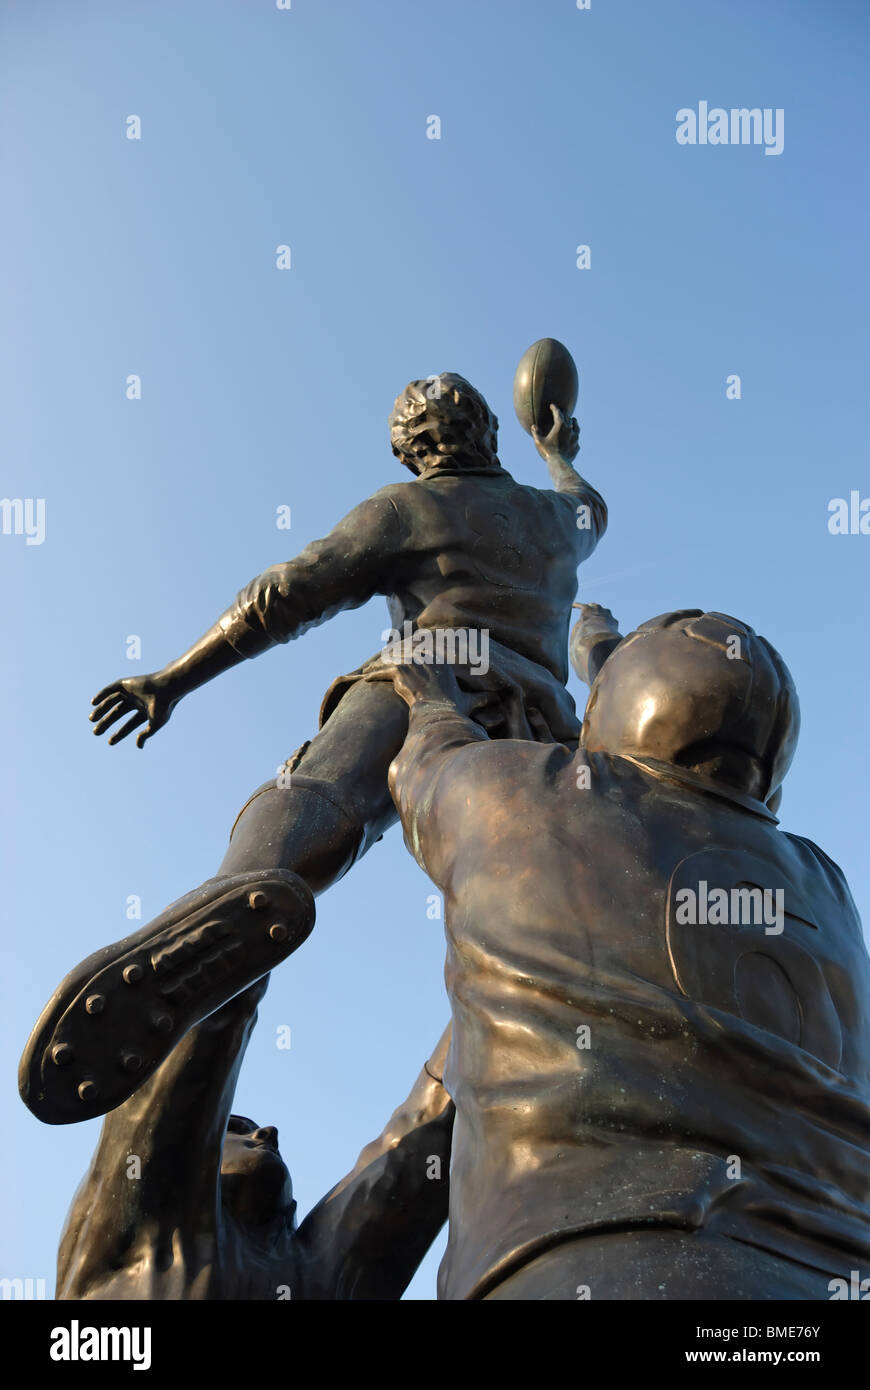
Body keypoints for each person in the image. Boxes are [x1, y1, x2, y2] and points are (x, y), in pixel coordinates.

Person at [21, 374, 606, 1125]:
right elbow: (593, 507)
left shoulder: (409, 508)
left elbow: (286, 595)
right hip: (540, 739)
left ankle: (238, 893)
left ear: (412, 455)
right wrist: (554, 454)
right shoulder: (556, 522)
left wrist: (174, 679)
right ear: (486, 432)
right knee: (551, 913)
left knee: (322, 795)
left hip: (430, 679)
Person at [373, 608, 870, 1300]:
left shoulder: (507, 793)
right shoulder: (828, 887)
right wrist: (598, 650)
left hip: (582, 1261)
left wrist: (430, 696)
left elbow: (425, 764)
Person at [57, 974, 453, 1300]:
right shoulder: (142, 1225)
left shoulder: (316, 1275)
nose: (267, 1133)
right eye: (235, 1127)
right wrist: (263, 895)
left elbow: (421, 1138)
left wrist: (492, 980)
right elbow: (190, 1059)